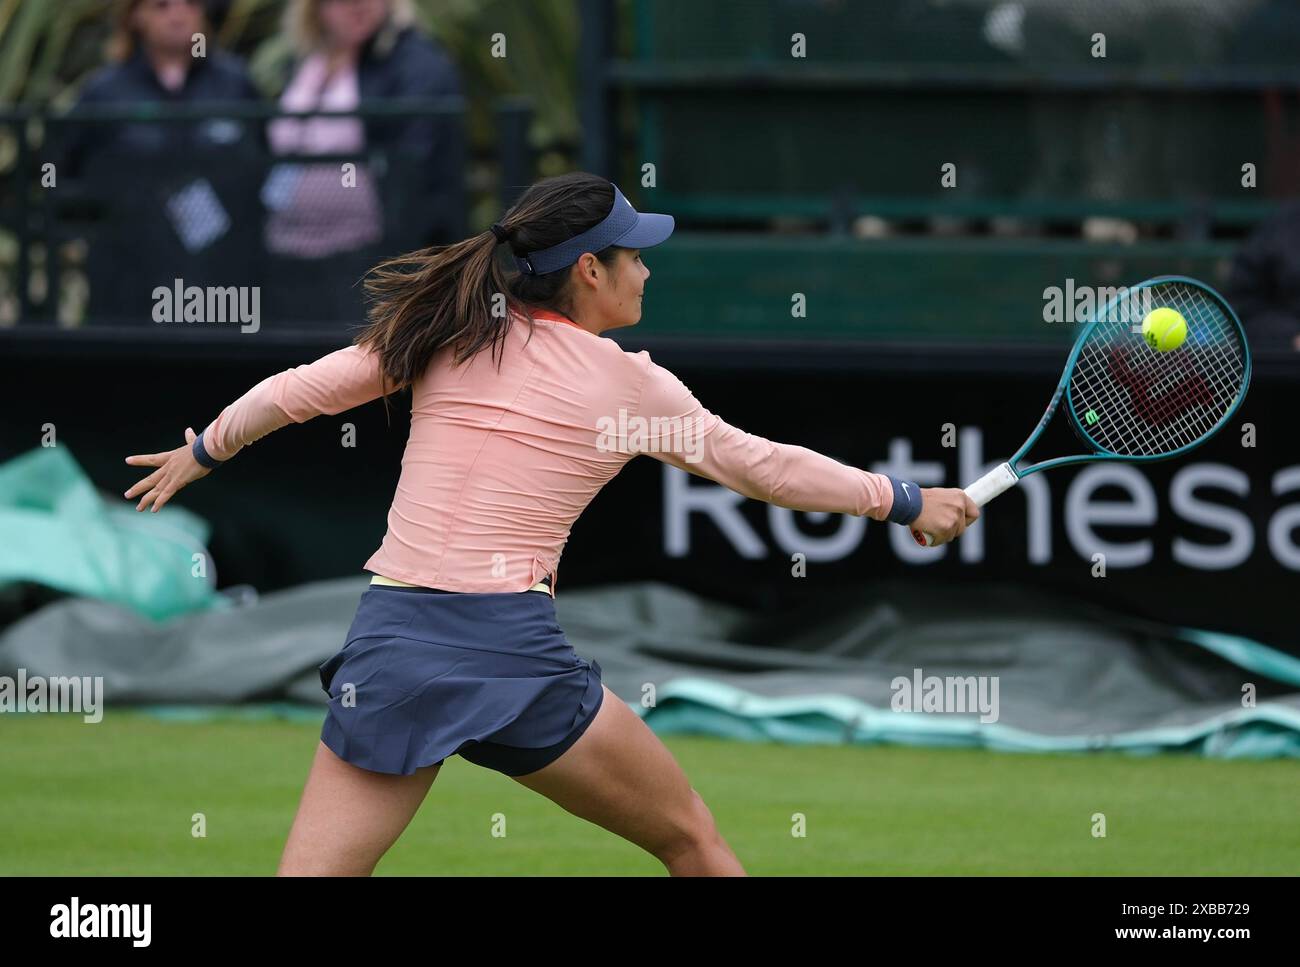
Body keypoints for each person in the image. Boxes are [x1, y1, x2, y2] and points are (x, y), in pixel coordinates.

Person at [122, 173, 979, 876]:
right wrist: (904, 500)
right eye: (634, 254)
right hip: (509, 651)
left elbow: (293, 390)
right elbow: (764, 468)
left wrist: (202, 450)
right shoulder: (629, 385)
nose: (648, 270)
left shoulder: (442, 332)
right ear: (589, 272)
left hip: (393, 644)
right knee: (693, 844)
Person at [59, 0, 263, 324]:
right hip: (127, 288)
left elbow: (265, 170)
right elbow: (61, 174)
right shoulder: (104, 92)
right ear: (135, 15)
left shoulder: (235, 85)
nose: (178, 14)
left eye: (191, 4)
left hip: (222, 290)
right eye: (162, 5)